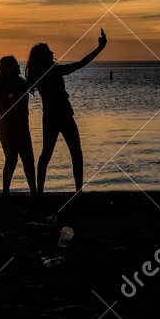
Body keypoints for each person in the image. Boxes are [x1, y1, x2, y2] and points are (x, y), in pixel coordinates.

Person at [28, 30, 107, 195]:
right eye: (48, 51)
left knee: (47, 154)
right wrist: (100, 48)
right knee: (75, 153)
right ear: (43, 56)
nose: (52, 52)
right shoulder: (51, 71)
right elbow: (80, 64)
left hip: (50, 116)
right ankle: (77, 191)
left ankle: (40, 192)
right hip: (62, 115)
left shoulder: (38, 74)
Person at [0, 55, 37, 196]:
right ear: (8, 68)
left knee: (21, 159)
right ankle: (14, 192)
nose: (18, 66)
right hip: (9, 126)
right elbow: (5, 108)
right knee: (18, 159)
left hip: (16, 125)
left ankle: (25, 191)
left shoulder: (16, 83)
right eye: (15, 65)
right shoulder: (5, 86)